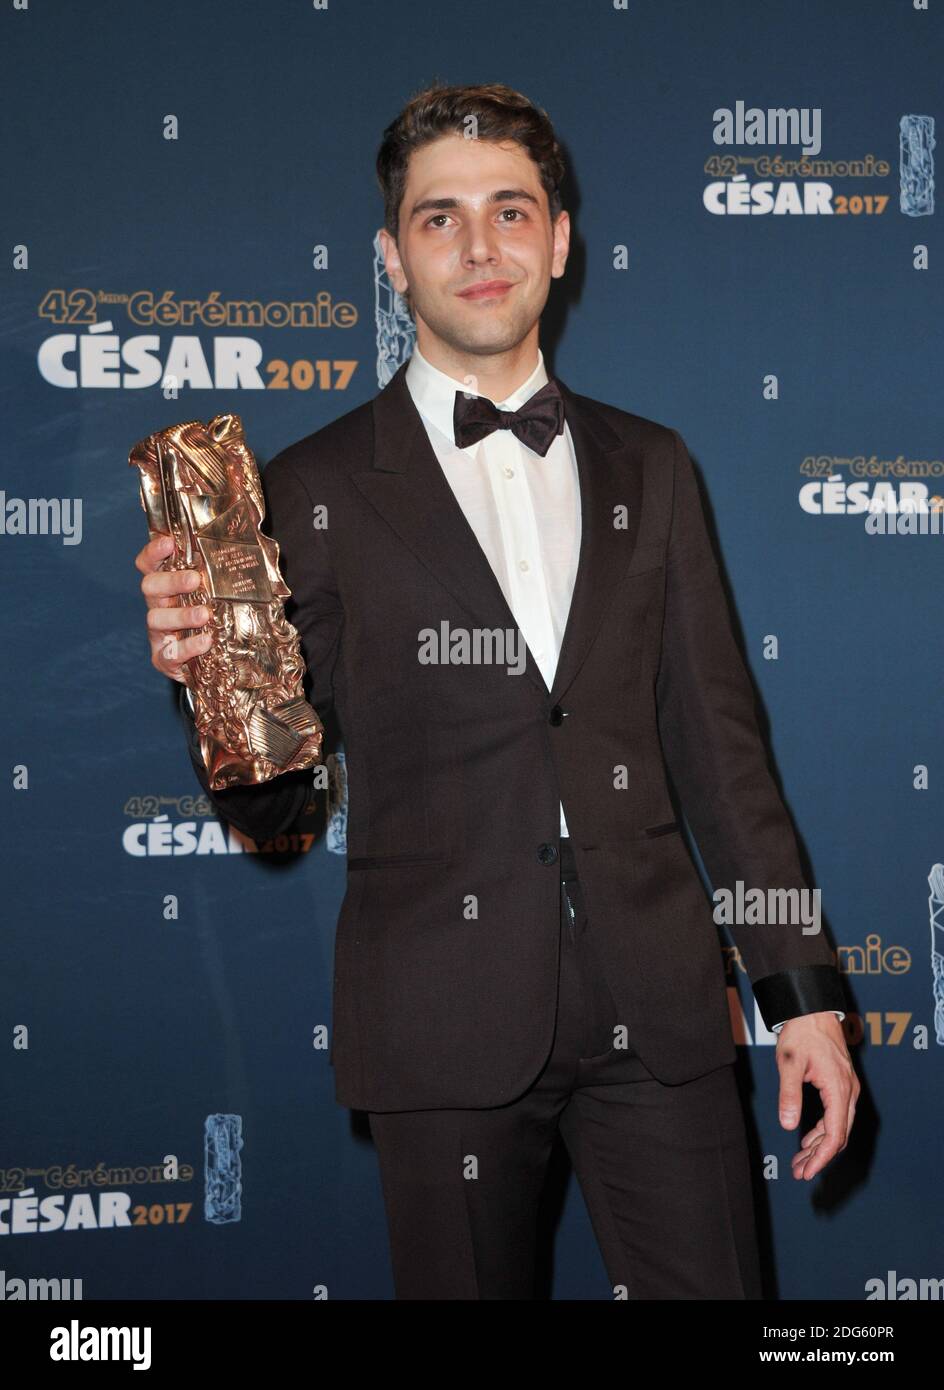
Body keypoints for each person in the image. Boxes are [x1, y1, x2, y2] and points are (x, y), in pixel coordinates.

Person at [134, 82, 858, 1300]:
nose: (479, 247)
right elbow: (275, 812)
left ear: (559, 241)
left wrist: (800, 995)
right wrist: (202, 676)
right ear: (391, 258)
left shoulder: (654, 466)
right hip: (437, 1018)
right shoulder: (302, 492)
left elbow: (721, 753)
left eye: (510, 211)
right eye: (439, 218)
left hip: (661, 1009)